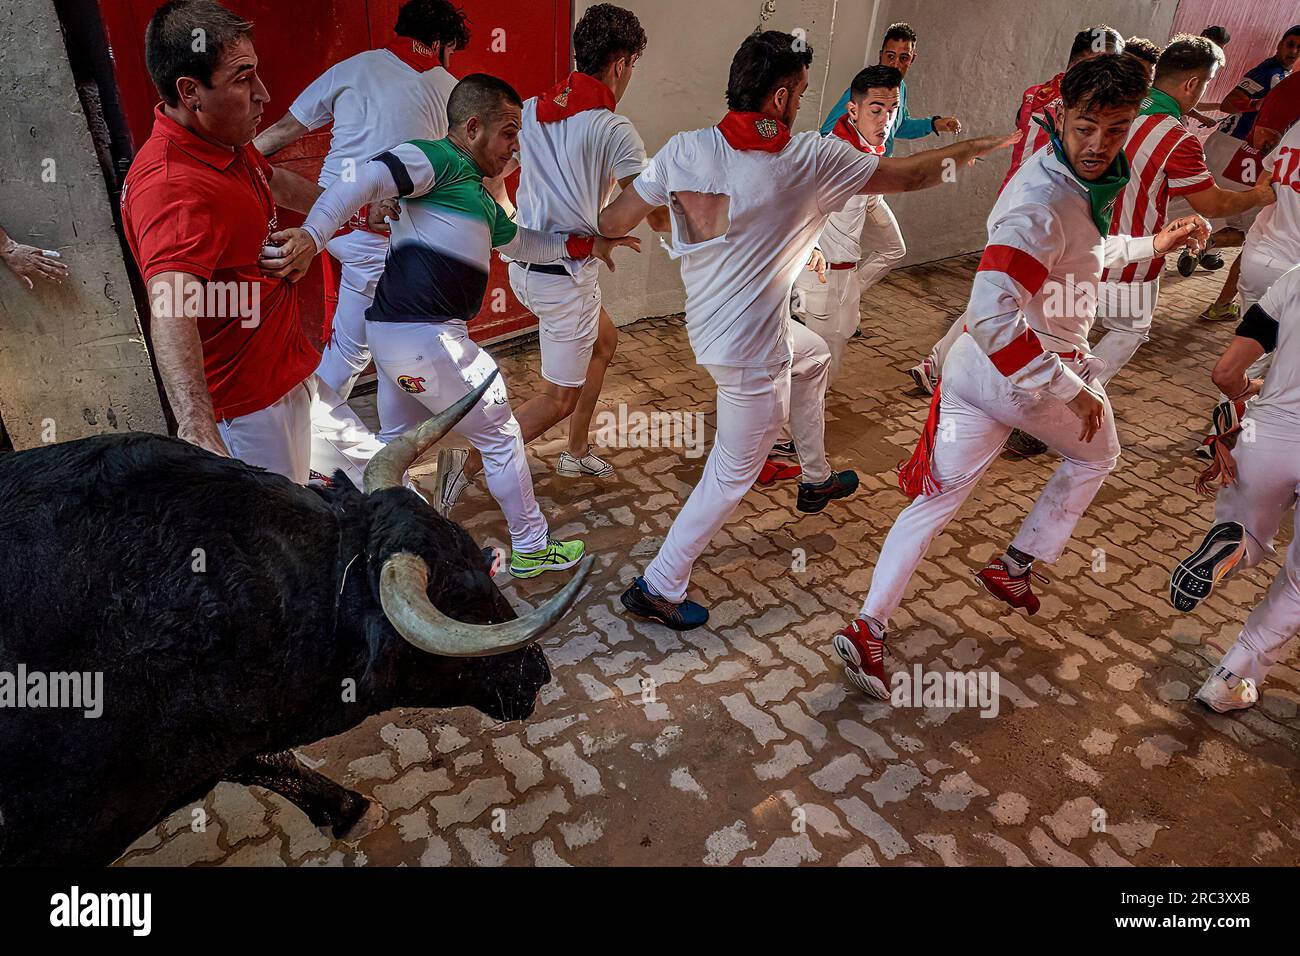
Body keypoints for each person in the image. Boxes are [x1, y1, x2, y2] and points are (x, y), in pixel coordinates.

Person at [595, 29, 1016, 629]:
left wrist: (622, 235)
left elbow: (614, 215)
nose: (799, 105)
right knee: (731, 470)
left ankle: (813, 471)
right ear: (780, 99)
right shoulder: (810, 160)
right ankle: (659, 584)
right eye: (796, 94)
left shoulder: (686, 149)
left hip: (714, 332)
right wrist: (981, 145)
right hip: (748, 352)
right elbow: (913, 176)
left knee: (814, 353)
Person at [831, 53, 1209, 699]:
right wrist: (1072, 389)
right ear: (1062, 114)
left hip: (977, 376)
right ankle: (1015, 565)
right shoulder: (1044, 199)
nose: (1097, 146)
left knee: (936, 501)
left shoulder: (1061, 177)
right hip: (1023, 375)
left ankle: (868, 627)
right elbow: (989, 315)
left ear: (1131, 125)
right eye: (1086, 126)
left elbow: (1082, 256)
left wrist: (1152, 245)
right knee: (1100, 455)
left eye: (1115, 131)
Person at [264, 74, 636, 578]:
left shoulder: (477, 195)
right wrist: (312, 234)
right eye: (508, 132)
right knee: (501, 437)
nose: (514, 146)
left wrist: (588, 244)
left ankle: (397, 542)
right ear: (473, 126)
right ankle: (530, 547)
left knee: (395, 444)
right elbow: (363, 182)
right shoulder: (436, 159)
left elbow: (523, 243)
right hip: (429, 341)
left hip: (394, 338)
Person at [121, 0, 360, 483]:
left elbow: (271, 179)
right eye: (243, 78)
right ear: (191, 92)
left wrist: (343, 216)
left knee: (380, 487)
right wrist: (195, 426)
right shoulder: (171, 187)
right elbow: (170, 307)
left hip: (291, 373)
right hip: (249, 412)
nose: (264, 95)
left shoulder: (223, 140)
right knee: (284, 538)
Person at [445, 4, 653, 503]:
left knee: (605, 343)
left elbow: (491, 172)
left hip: (530, 267)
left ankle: (575, 451)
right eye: (632, 68)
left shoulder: (531, 110)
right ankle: (465, 466)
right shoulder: (612, 129)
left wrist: (509, 216)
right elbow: (643, 205)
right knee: (556, 399)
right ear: (621, 64)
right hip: (563, 278)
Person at [255, 0, 468, 417]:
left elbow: (282, 130)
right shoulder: (452, 90)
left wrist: (237, 162)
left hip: (331, 222)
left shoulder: (355, 67)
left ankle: (325, 432)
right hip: (382, 239)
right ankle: (320, 433)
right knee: (386, 349)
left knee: (369, 342)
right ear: (441, 44)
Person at [907, 25, 1125, 396]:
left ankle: (938, 365)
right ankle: (992, 380)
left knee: (1002, 295)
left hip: (1016, 199)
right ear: (1078, 63)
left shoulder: (1034, 93)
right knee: (1005, 303)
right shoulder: (1073, 108)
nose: (1107, 78)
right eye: (1103, 64)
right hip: (1040, 210)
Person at [1092, 35, 1275, 388]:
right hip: (1131, 259)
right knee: (1129, 330)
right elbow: (1213, 204)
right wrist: (1257, 196)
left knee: (1068, 331)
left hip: (1075, 247)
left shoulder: (1109, 109)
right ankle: (1067, 402)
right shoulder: (1174, 137)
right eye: (1206, 82)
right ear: (1193, 83)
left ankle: (1040, 396)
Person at [1170, 264, 1300, 713]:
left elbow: (1226, 373)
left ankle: (1233, 547)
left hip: (1272, 436)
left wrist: (1257, 390)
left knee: (1249, 533)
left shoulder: (1296, 277)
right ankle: (1232, 678)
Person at [1198, 25, 1300, 320]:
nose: (1292, 52)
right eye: (1289, 44)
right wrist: (1262, 104)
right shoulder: (1268, 73)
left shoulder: (1285, 79)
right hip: (1239, 152)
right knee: (1254, 230)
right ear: (1279, 43)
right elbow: (1230, 103)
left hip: (1248, 156)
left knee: (1247, 229)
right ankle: (1221, 300)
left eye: (1298, 48)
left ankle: (1206, 245)